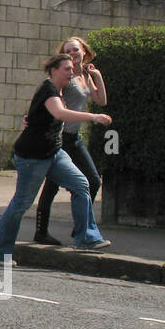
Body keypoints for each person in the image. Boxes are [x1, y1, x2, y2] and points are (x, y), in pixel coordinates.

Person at [0, 54, 113, 258]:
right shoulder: (49, 90)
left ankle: (86, 238)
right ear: (54, 71)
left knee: (81, 184)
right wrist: (94, 117)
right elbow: (60, 113)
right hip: (32, 157)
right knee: (21, 203)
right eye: (67, 69)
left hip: (54, 152)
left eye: (72, 69)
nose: (71, 73)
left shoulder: (58, 89)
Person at [33, 37, 108, 245]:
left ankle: (80, 227)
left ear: (84, 51)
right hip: (60, 138)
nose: (73, 54)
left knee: (93, 181)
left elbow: (101, 100)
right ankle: (42, 232)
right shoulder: (66, 76)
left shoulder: (85, 74)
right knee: (52, 185)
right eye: (68, 51)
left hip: (75, 139)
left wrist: (97, 77)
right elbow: (53, 100)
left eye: (75, 49)